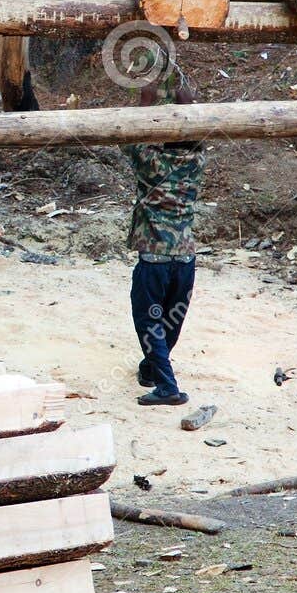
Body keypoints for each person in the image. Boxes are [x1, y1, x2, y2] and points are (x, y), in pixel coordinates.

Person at [127, 73, 205, 407]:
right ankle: (151, 368)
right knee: (171, 320)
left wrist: (150, 85)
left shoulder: (151, 163)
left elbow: (137, 126)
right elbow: (193, 118)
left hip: (155, 260)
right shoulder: (197, 163)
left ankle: (167, 386)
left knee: (149, 320)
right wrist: (178, 77)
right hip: (186, 259)